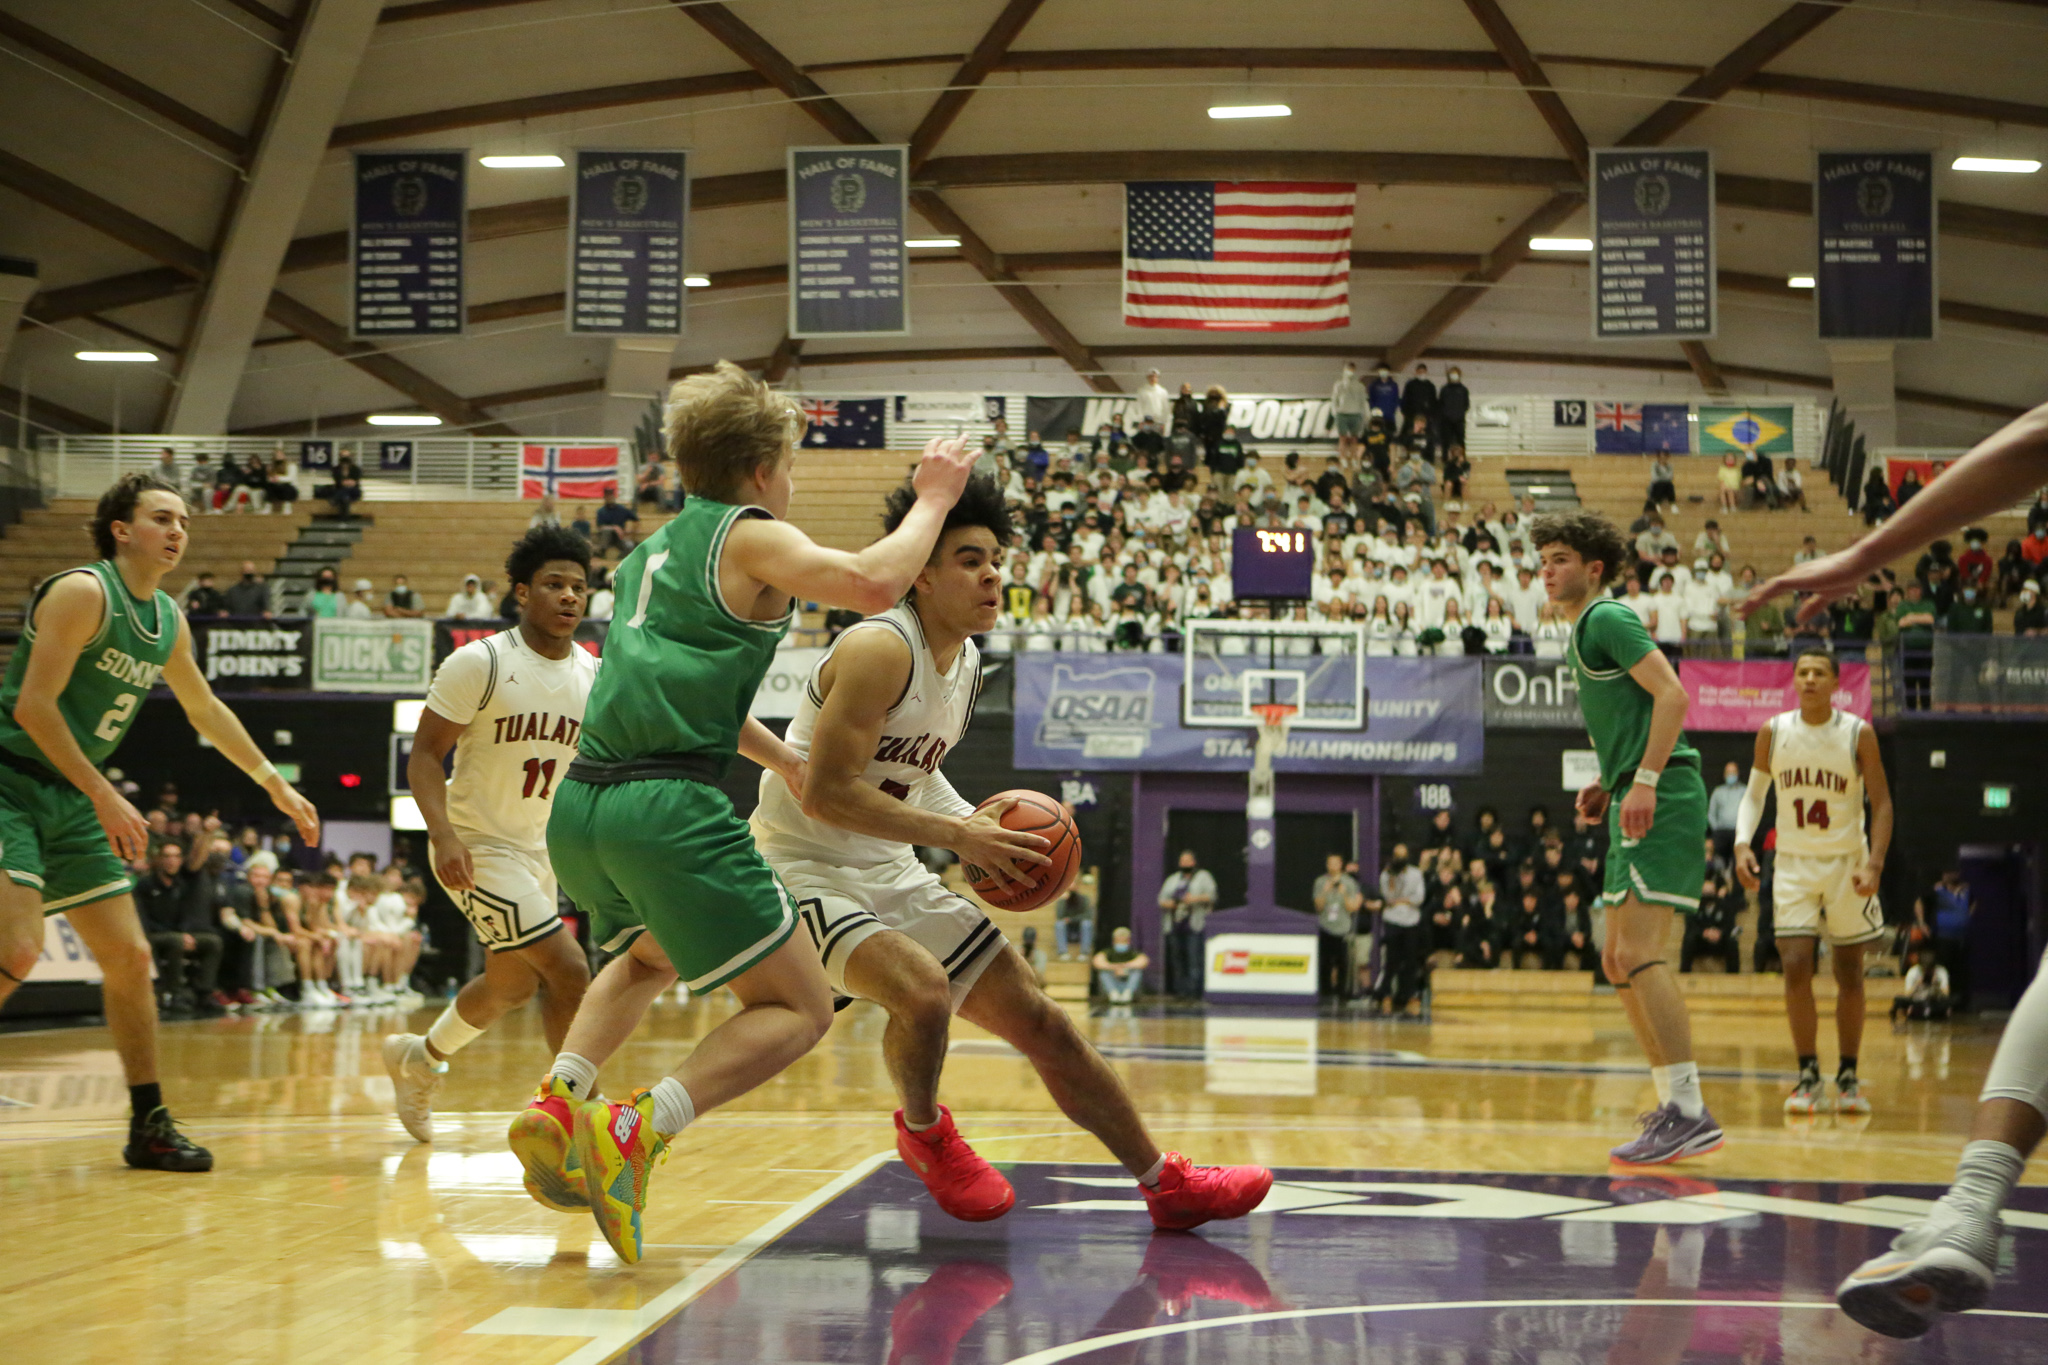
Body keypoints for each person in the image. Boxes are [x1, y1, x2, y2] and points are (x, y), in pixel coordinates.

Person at [504, 361, 978, 1266]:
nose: (791, 484)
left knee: (649, 955)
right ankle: (640, 1129)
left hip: (585, 803)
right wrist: (933, 496)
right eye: (791, 467)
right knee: (801, 1007)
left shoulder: (649, 551)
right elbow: (874, 583)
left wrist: (784, 757)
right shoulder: (751, 532)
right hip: (667, 805)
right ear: (763, 472)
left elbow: (657, 683)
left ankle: (562, 1094)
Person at [751, 474, 1269, 1227]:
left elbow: (911, 776)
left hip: (886, 865)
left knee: (1042, 1018)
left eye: (996, 558)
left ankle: (1167, 1183)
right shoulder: (875, 646)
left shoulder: (964, 667)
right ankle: (925, 1133)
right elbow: (824, 792)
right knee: (923, 992)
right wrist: (963, 836)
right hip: (803, 867)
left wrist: (977, 825)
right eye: (969, 558)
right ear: (921, 572)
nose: (993, 573)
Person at [0, 472, 319, 1171]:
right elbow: (33, 707)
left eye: (183, 521)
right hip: (12, 782)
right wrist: (104, 791)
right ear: (121, 528)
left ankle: (149, 1122)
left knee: (133, 958)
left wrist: (275, 785)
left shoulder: (168, 620)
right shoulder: (83, 592)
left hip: (75, 797)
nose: (177, 530)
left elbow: (205, 709)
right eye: (160, 517)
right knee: (20, 951)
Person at [382, 528, 600, 1149]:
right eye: (555, 585)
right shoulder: (480, 661)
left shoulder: (594, 674)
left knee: (512, 984)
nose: (569, 597)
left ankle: (421, 1058)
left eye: (579, 588)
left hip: (541, 852)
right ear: (523, 593)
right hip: (477, 847)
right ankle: (576, 1116)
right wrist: (444, 834)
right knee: (568, 969)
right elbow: (424, 757)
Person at [1533, 510, 1721, 1165]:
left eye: (1560, 558)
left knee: (1639, 952)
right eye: (1544, 559)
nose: (1548, 569)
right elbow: (1640, 715)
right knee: (1616, 959)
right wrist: (1613, 784)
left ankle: (1692, 1110)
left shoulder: (1605, 617)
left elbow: (1673, 697)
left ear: (1593, 568)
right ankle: (1675, 1105)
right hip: (1639, 790)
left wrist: (1641, 781)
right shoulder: (1585, 629)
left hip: (1665, 792)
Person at [1734, 650, 1891, 1115]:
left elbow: (1881, 804)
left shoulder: (1857, 733)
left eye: (1818, 673)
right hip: (1795, 864)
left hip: (1848, 863)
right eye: (1802, 672)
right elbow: (1754, 795)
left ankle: (1847, 1074)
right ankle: (1807, 1074)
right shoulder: (1774, 732)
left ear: (1835, 683)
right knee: (1797, 964)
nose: (1808, 679)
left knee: (1848, 971)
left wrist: (1875, 864)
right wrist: (1743, 842)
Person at [136, 839, 222, 1017]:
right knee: (176, 942)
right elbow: (142, 919)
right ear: (158, 859)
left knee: (213, 942)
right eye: (167, 856)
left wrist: (186, 933)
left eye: (176, 856)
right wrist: (178, 935)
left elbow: (186, 915)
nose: (171, 860)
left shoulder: (182, 885)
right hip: (151, 935)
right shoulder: (145, 884)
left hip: (177, 934)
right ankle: (175, 993)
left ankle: (204, 992)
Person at [1372, 843, 1427, 1013]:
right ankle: (1386, 993)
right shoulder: (1386, 875)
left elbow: (1419, 898)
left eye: (1403, 855)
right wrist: (1393, 882)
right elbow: (1389, 898)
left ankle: (1408, 994)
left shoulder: (1416, 873)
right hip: (1392, 920)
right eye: (1397, 855)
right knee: (1392, 959)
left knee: (1410, 960)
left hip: (1411, 921)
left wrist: (1401, 901)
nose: (1400, 859)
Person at [1158, 850, 1216, 999]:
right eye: (1182, 861)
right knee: (1177, 960)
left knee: (1194, 959)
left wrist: (1194, 899)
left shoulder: (1203, 877)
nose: (1185, 863)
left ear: (1194, 862)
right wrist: (1170, 903)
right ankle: (1180, 991)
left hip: (1194, 925)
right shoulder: (1173, 879)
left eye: (1188, 860)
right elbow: (1161, 900)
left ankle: (1194, 992)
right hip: (1174, 925)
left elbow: (1212, 896)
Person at [1312, 853, 1363, 1000]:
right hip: (1325, 926)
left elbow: (1352, 907)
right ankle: (1325, 992)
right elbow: (1318, 906)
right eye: (1329, 863)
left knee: (1343, 962)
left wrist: (1344, 894)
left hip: (1343, 928)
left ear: (1340, 864)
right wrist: (1325, 891)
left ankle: (1342, 992)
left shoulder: (1349, 883)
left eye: (1335, 863)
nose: (1332, 866)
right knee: (1324, 962)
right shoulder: (1320, 882)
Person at [1891, 946, 1951, 1023]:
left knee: (1950, 1001)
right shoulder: (1913, 972)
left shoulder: (1941, 971)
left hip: (1935, 999)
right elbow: (1907, 994)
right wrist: (1917, 985)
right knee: (1899, 1000)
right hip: (1917, 999)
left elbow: (1946, 994)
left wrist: (1936, 985)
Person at [1093, 925, 1148, 1006]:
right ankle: (1113, 994)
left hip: (1127, 983)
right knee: (1103, 973)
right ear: (1114, 940)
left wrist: (1125, 967)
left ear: (1128, 941)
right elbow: (1097, 961)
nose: (1121, 941)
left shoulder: (1133, 953)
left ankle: (1127, 994)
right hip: (1113, 982)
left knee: (1136, 972)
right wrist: (1114, 968)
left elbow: (1143, 961)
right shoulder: (1108, 952)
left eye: (1124, 939)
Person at [1331, 362, 1368, 462]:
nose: (1350, 372)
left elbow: (1363, 401)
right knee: (1342, 438)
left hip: (1355, 414)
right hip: (1342, 414)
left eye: (1352, 370)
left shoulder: (1360, 386)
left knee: (1354, 438)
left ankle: (1353, 458)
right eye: (1348, 370)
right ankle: (1342, 458)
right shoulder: (1338, 385)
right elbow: (1334, 400)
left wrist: (1364, 414)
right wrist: (1335, 413)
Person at [592, 485, 639, 553]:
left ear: (614, 496)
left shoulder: (622, 509)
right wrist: (614, 528)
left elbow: (636, 520)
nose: (609, 497)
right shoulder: (601, 511)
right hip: (606, 539)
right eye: (607, 496)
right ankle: (601, 550)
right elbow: (600, 527)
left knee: (630, 546)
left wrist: (632, 534)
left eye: (611, 495)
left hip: (620, 538)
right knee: (606, 531)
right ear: (604, 497)